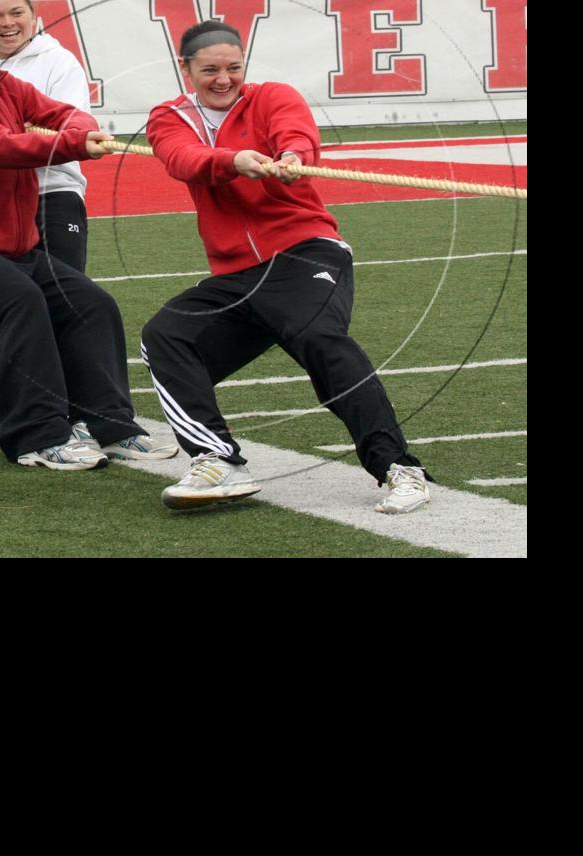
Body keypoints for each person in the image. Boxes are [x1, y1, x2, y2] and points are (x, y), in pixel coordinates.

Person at [140, 21, 431, 514]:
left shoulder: (272, 95)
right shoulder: (168, 117)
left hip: (305, 252)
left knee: (317, 337)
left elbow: (295, 131)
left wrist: (293, 154)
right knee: (166, 334)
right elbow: (182, 159)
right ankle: (216, 459)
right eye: (210, 69)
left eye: (233, 67)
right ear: (185, 69)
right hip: (236, 274)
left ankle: (399, 468)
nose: (223, 78)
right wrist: (234, 160)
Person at [0, 6, 174, 470]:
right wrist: (72, 144)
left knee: (91, 303)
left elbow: (63, 112)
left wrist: (81, 129)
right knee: (22, 303)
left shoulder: (6, 87)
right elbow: (2, 148)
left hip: (13, 249)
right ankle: (38, 436)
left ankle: (109, 425)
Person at [0, 0, 108, 453]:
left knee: (62, 298)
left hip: (50, 192)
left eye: (15, 10)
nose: (6, 23)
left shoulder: (59, 63)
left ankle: (68, 412)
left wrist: (7, 136)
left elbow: (73, 124)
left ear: (35, 13)